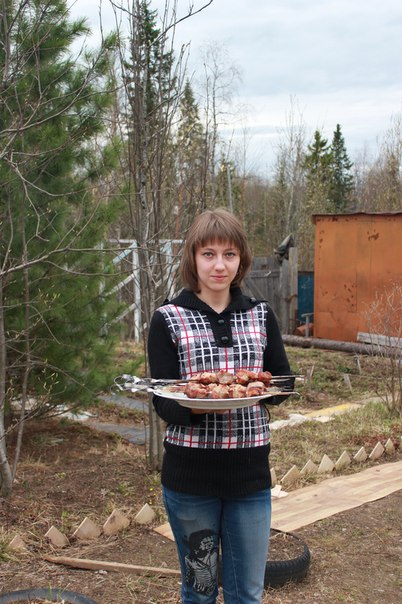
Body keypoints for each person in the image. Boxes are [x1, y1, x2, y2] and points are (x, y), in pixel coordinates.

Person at [147, 208, 293, 603]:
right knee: (200, 591)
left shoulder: (260, 315)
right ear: (193, 258)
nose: (219, 265)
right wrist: (205, 402)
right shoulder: (168, 319)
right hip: (190, 479)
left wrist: (257, 392)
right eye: (208, 254)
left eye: (229, 254)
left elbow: (282, 381)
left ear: (241, 260)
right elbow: (164, 401)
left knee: (247, 593)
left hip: (249, 476)